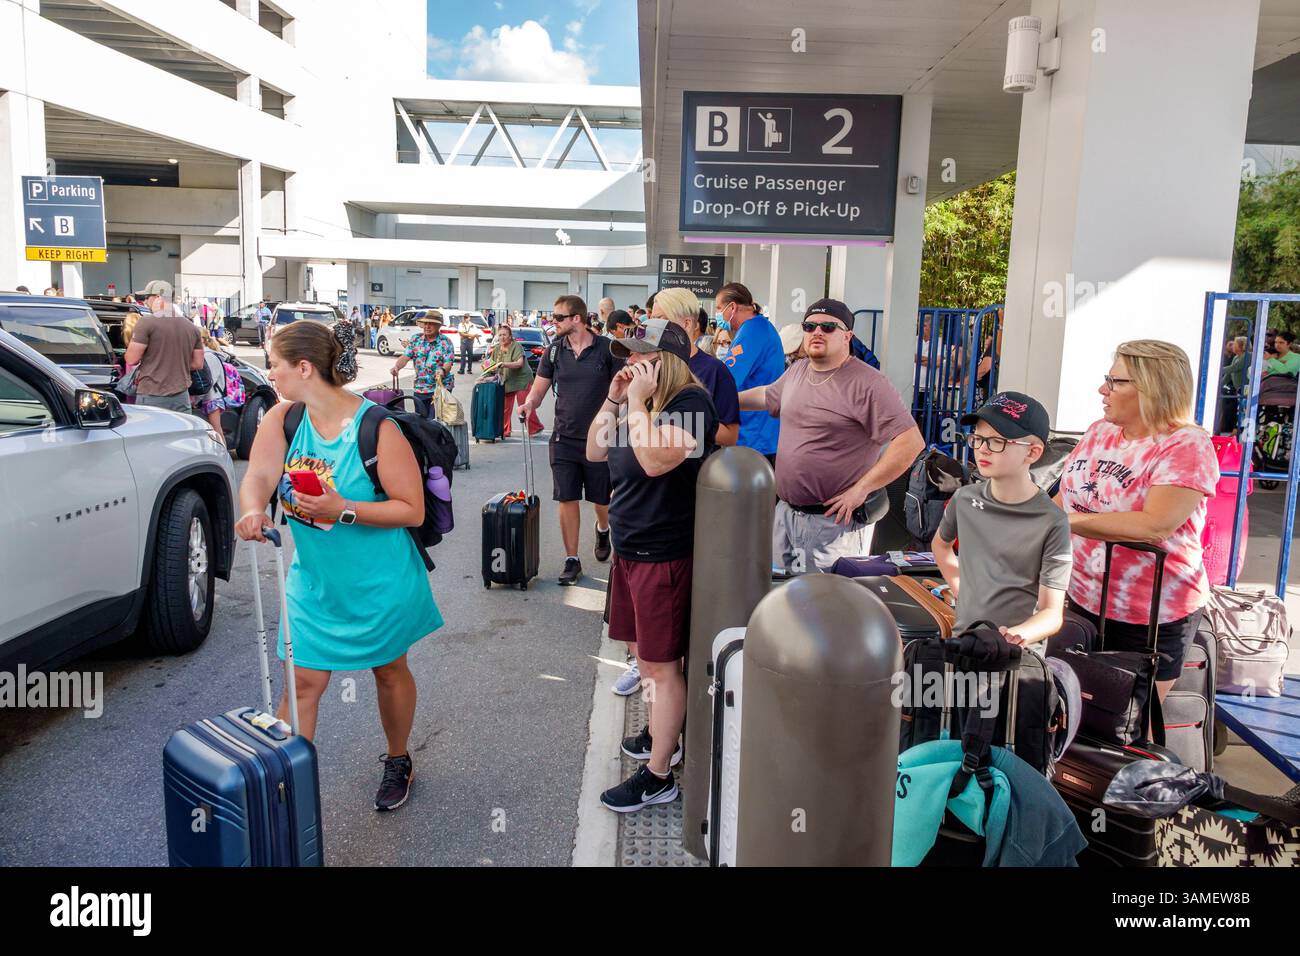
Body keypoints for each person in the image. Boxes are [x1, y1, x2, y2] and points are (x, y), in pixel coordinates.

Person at [236, 321, 442, 811]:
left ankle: (398, 758)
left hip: (380, 580)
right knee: (302, 680)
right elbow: (260, 474)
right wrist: (252, 509)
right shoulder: (283, 419)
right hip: (314, 581)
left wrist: (342, 508)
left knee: (389, 670)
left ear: (304, 368)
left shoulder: (377, 427)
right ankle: (289, 788)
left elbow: (410, 509)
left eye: (275, 364)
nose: (270, 373)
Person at [586, 319, 717, 811]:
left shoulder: (691, 406)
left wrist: (638, 404)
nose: (631, 364)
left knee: (660, 667)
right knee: (645, 658)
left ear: (669, 362)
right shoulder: (645, 404)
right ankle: (665, 734)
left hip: (664, 553)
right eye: (628, 356)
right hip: (632, 551)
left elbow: (654, 461)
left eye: (641, 356)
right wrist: (616, 399)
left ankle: (659, 773)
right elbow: (594, 451)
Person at [1051, 340, 1219, 705]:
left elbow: (1155, 525)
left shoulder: (1185, 445)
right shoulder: (1099, 432)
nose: (1102, 390)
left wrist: (1063, 522)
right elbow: (1063, 499)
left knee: (1128, 723)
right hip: (1082, 599)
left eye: (1115, 381)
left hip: (1151, 614)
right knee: (1075, 712)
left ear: (1152, 386)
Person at [739, 299, 926, 573]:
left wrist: (860, 490)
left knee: (827, 607)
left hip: (834, 525)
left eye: (828, 327)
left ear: (847, 336)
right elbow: (767, 395)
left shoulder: (869, 383)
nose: (817, 332)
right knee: (781, 601)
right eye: (810, 326)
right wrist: (722, 400)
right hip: (787, 515)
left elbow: (911, 442)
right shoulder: (799, 371)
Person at [932, 392, 1071, 646]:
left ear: (1033, 452)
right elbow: (940, 545)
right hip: (963, 644)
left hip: (1017, 661)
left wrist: (1013, 637)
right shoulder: (964, 499)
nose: (983, 449)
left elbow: (1052, 614)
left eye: (998, 441)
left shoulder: (1052, 521)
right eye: (978, 438)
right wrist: (961, 588)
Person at [517, 295, 623, 586]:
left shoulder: (608, 349)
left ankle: (603, 528)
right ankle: (572, 559)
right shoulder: (554, 352)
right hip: (564, 436)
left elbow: (621, 392)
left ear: (577, 318)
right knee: (567, 497)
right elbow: (539, 389)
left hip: (601, 438)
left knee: (602, 500)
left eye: (559, 317)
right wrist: (529, 404)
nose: (554, 322)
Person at [714, 282, 783, 465]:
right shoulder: (760, 327)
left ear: (733, 307)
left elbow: (726, 380)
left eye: (719, 308)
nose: (718, 314)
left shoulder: (752, 331)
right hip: (760, 432)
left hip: (754, 435)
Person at [123, 279, 204, 413]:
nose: (145, 302)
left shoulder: (146, 322)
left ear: (158, 297)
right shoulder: (191, 327)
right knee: (181, 433)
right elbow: (198, 363)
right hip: (181, 396)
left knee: (151, 433)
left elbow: (131, 359)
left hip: (152, 395)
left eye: (147, 297)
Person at [390, 311, 454, 420]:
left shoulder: (445, 342)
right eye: (426, 323)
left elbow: (448, 362)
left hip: (440, 387)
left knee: (435, 422)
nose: (427, 326)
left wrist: (443, 370)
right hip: (420, 388)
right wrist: (397, 367)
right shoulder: (415, 339)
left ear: (439, 326)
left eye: (431, 324)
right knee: (421, 422)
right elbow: (405, 357)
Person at [483, 325, 543, 438]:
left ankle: (535, 429)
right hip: (507, 380)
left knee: (524, 406)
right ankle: (505, 430)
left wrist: (503, 364)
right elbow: (490, 365)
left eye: (505, 335)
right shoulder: (496, 349)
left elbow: (519, 363)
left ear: (510, 336)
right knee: (504, 407)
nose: (502, 337)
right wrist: (485, 375)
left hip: (522, 379)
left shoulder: (516, 346)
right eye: (500, 335)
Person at [194, 330, 236, 449]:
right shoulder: (209, 354)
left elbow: (208, 381)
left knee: (216, 429)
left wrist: (197, 399)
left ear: (201, 340)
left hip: (212, 399)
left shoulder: (208, 356)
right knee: (214, 429)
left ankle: (223, 452)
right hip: (212, 398)